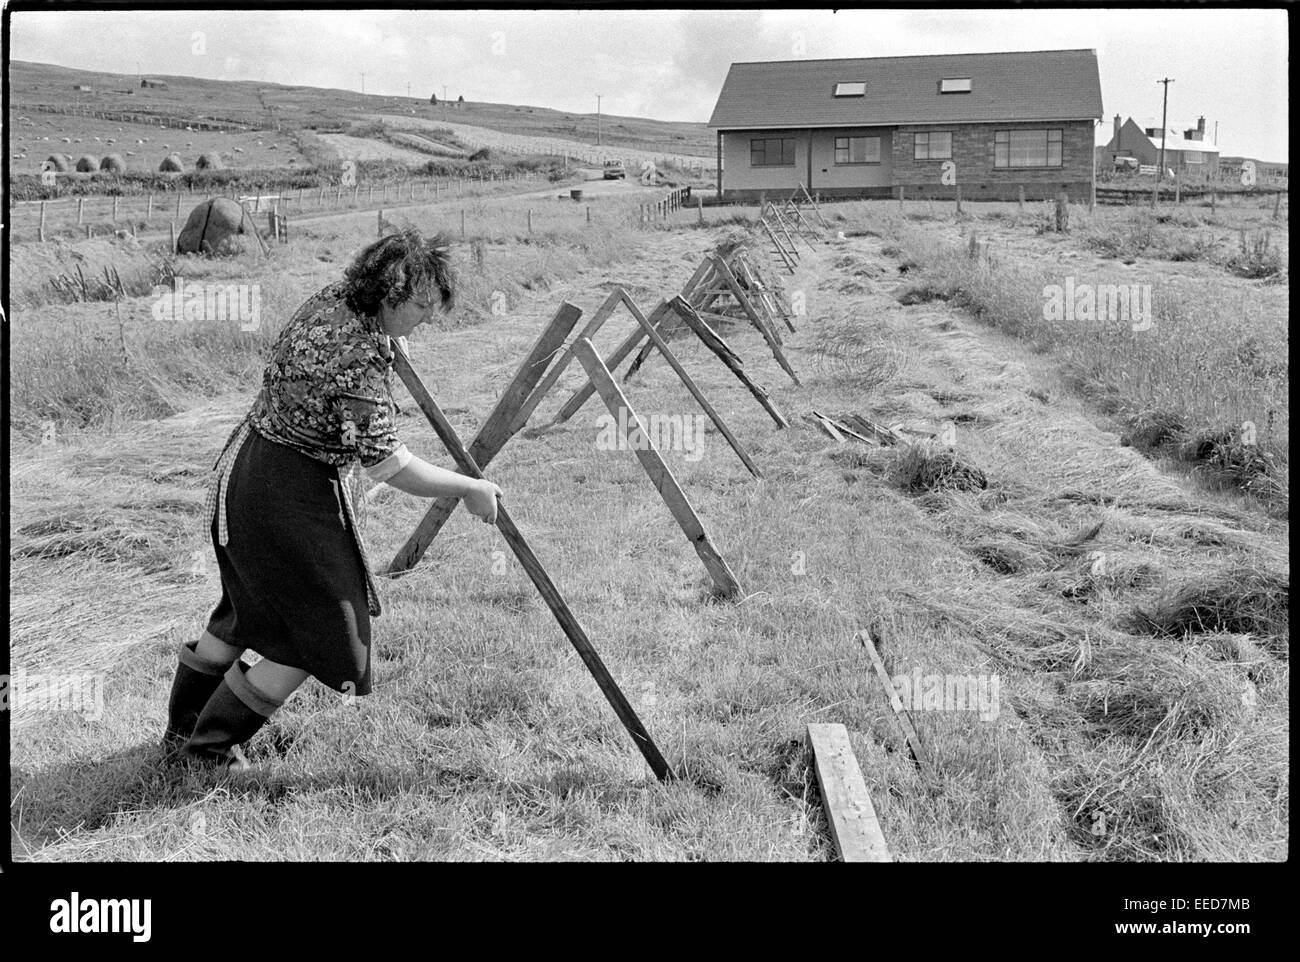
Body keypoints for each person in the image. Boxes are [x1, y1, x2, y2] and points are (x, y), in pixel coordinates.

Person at [163, 227, 502, 769]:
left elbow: (356, 357)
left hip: (247, 467)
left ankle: (182, 737)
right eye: (419, 306)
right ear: (389, 294)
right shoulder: (358, 359)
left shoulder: (335, 299)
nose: (427, 319)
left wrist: (392, 341)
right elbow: (391, 466)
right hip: (284, 492)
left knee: (246, 611)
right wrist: (469, 488)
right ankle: (208, 752)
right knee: (326, 631)